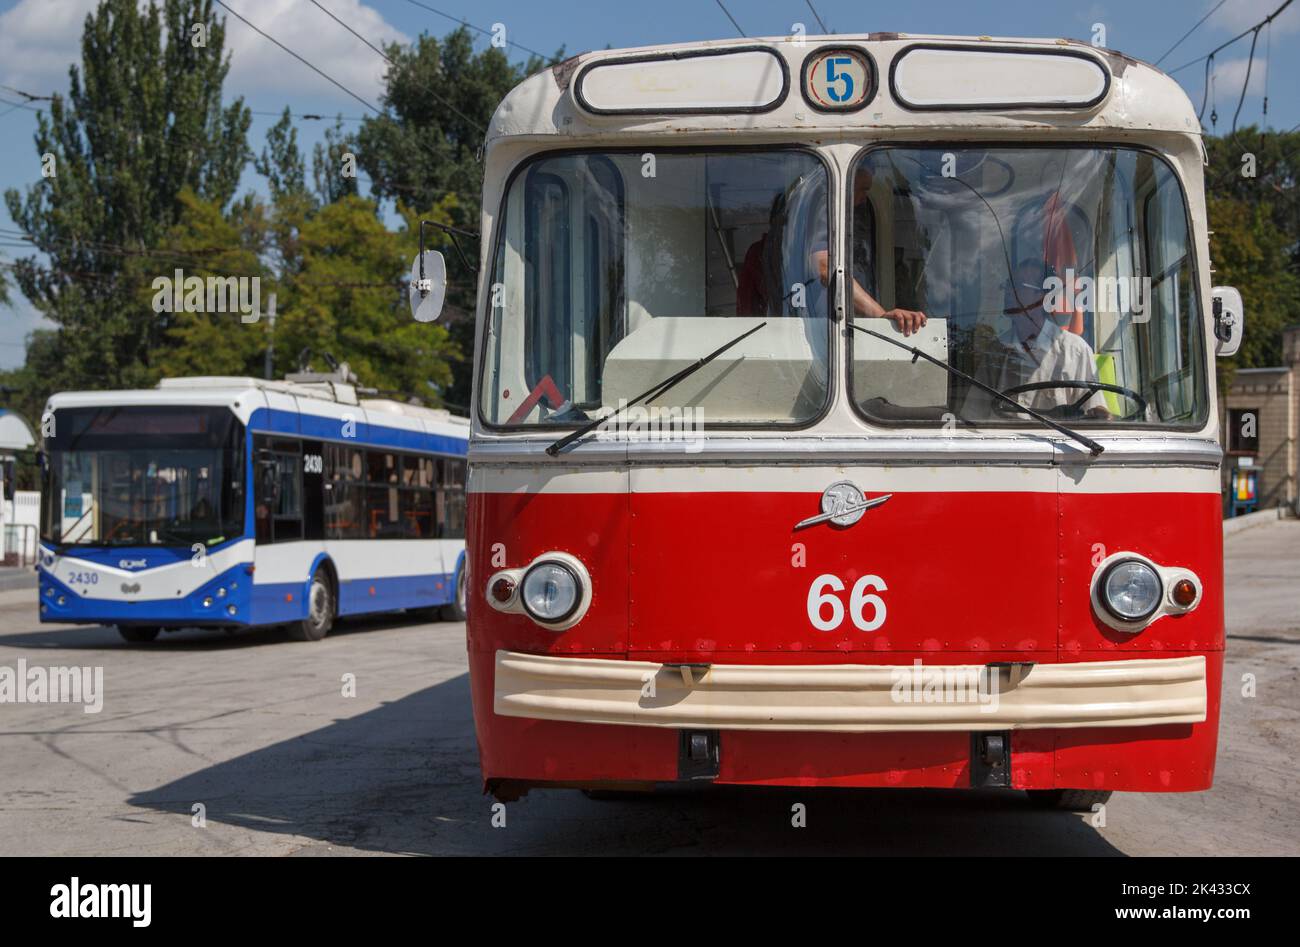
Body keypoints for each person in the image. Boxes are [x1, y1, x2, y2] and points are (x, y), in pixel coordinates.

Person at [961, 259, 1110, 420]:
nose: (1009, 292)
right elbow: (973, 416)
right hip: (1001, 442)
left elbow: (1094, 414)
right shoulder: (996, 350)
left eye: (1018, 286)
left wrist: (1100, 414)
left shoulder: (1075, 351)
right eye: (1008, 286)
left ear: (1042, 298)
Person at [810, 169, 929, 336]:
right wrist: (881, 316)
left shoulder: (859, 223)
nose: (865, 198)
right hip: (822, 330)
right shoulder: (823, 206)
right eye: (862, 189)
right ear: (844, 186)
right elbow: (825, 266)